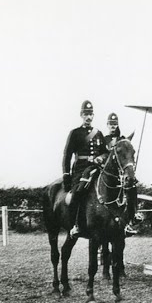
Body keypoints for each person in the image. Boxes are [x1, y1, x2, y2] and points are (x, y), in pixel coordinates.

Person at [61, 101, 106, 237]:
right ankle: (75, 225)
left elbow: (105, 152)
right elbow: (67, 155)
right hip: (81, 170)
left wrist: (101, 158)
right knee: (77, 193)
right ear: (81, 115)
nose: (88, 117)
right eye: (86, 114)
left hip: (97, 169)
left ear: (93, 116)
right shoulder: (75, 133)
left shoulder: (98, 133)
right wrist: (66, 174)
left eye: (90, 114)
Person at [100, 112, 141, 237]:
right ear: (107, 125)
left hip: (120, 173)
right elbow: (100, 153)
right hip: (105, 171)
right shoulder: (104, 139)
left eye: (115, 124)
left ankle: (133, 216)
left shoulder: (122, 140)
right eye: (111, 124)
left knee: (132, 186)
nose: (113, 126)